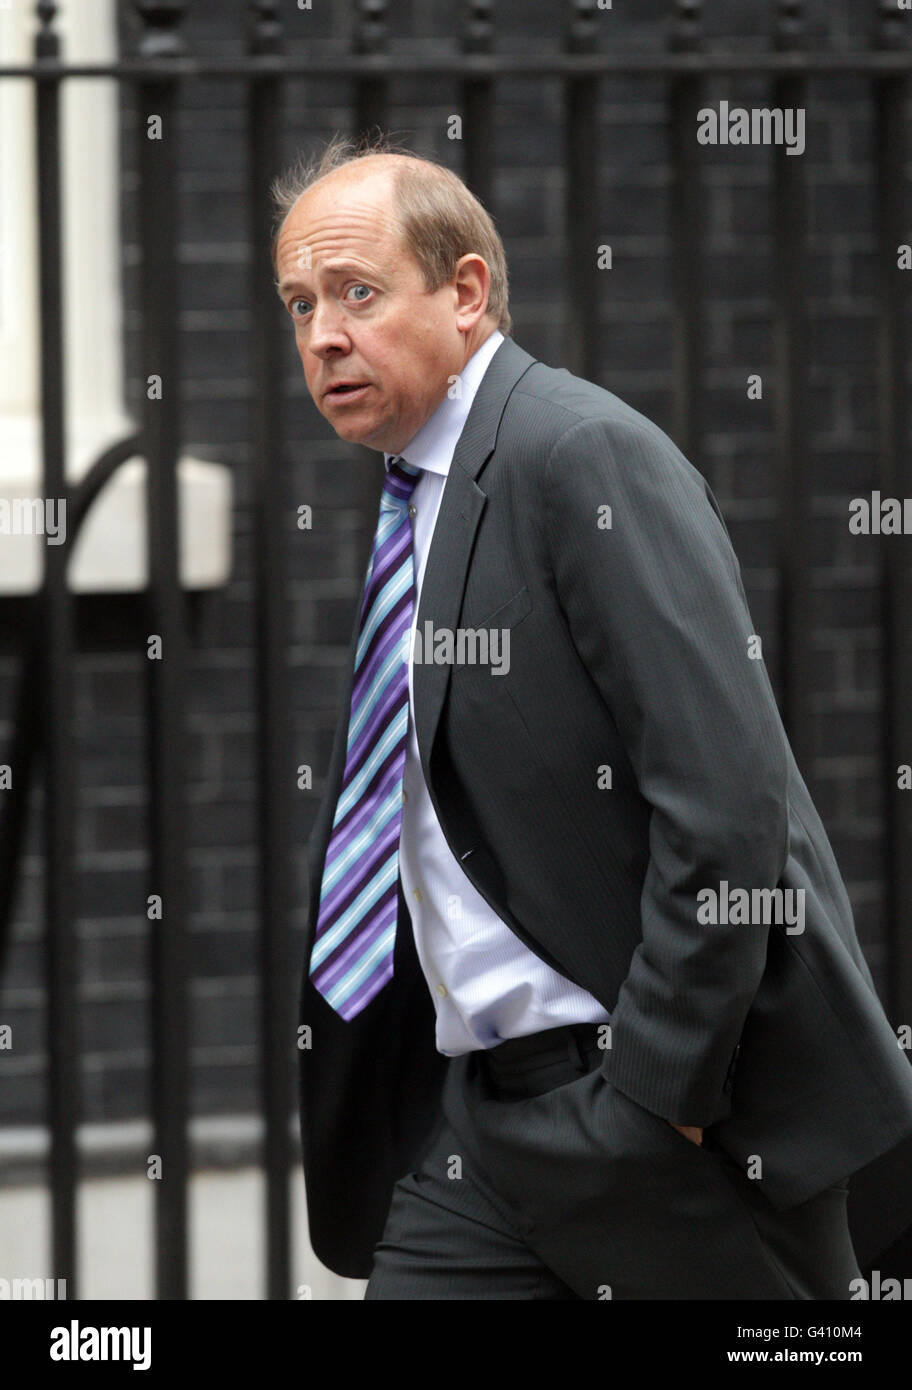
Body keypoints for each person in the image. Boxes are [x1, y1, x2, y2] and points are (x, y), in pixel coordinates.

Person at [272, 134, 912, 1299]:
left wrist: (658, 1094)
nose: (322, 333)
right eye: (301, 302)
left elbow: (729, 806)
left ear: (466, 292)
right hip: (477, 1135)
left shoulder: (580, 454)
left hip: (671, 1131)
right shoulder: (417, 495)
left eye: (357, 292)